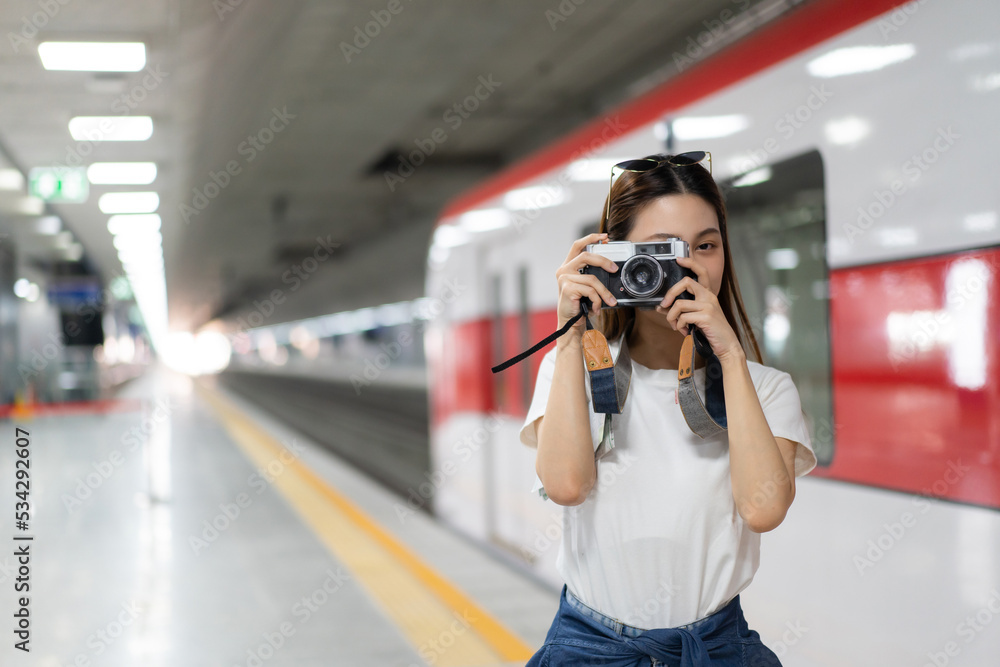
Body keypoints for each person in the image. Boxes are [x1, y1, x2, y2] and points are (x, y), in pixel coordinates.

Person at [519, 152, 817, 666]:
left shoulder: (767, 389)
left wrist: (730, 356)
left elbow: (763, 510)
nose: (689, 266)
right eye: (661, 250)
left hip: (716, 650)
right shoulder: (570, 372)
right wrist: (571, 335)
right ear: (614, 258)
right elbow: (566, 486)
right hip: (591, 651)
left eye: (706, 245)